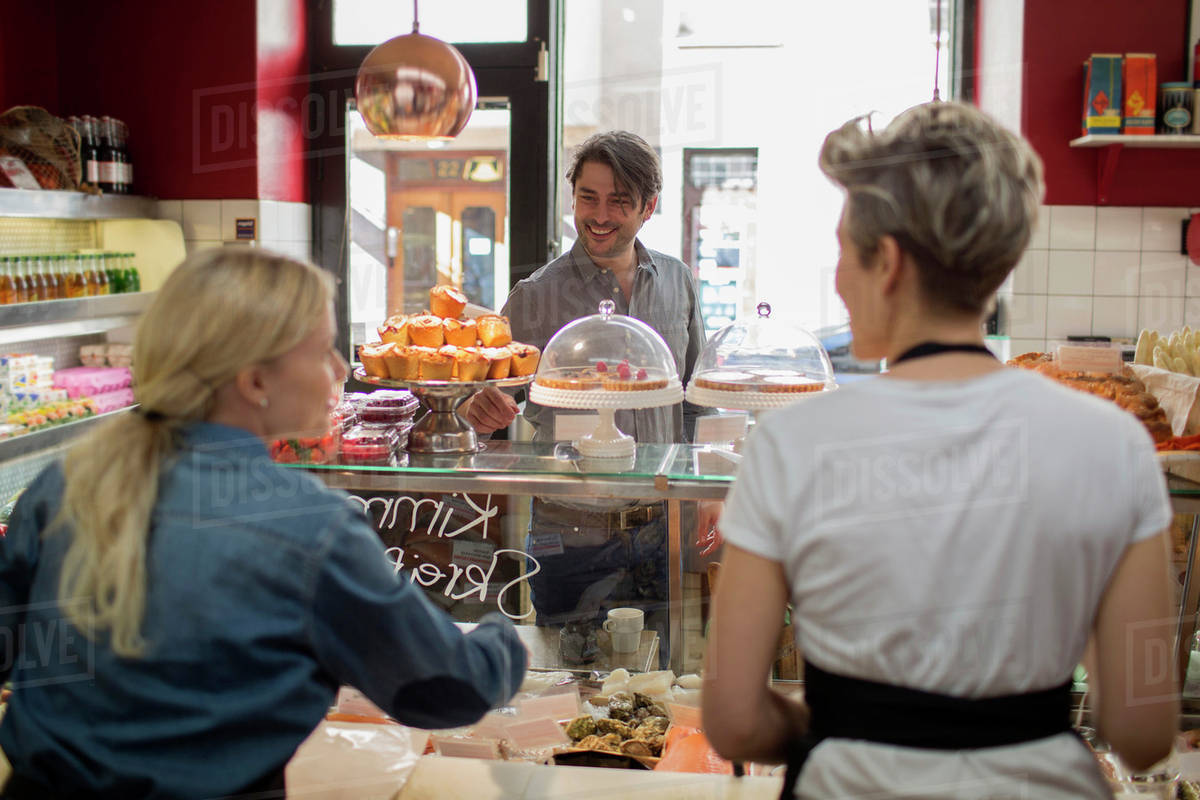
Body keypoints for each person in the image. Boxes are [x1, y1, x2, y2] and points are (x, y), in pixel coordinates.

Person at [703, 101, 1177, 799]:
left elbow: (735, 722)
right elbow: (1141, 732)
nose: (838, 279)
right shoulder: (1116, 445)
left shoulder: (792, 443)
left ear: (888, 262)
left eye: (844, 251)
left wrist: (846, 723)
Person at [0, 249, 527, 799]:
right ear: (254, 382)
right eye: (323, 350)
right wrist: (501, 639)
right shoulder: (308, 525)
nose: (342, 371)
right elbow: (444, 690)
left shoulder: (68, 481)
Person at [463, 130, 715, 666]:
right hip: (569, 533)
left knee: (654, 684)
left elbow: (695, 403)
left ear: (648, 207)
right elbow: (476, 401)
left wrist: (710, 490)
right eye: (588, 198)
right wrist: (476, 410)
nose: (600, 215)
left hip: (660, 525)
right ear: (573, 197)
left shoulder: (678, 282)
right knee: (567, 686)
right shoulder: (536, 296)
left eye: (619, 201)